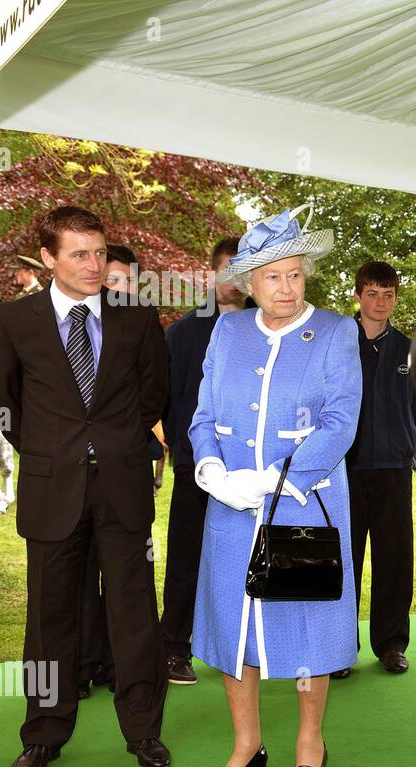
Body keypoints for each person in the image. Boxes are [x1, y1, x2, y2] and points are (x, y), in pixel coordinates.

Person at [0, 205, 171, 767]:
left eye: (99, 252)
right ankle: (43, 735)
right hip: (51, 489)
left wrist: (110, 444)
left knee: (134, 611)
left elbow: (153, 397)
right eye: (79, 254)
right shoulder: (14, 321)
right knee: (50, 617)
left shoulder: (137, 319)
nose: (95, 265)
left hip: (121, 485)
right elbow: (5, 403)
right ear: (48, 258)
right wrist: (52, 453)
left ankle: (143, 732)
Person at [189, 206, 360, 767]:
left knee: (304, 627)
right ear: (248, 282)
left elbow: (341, 423)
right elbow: (204, 415)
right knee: (237, 633)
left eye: (294, 274)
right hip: (231, 512)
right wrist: (211, 469)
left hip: (302, 507)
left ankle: (310, 744)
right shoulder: (228, 331)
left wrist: (272, 477)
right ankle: (246, 747)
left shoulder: (337, 332)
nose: (285, 288)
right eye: (272, 277)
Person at [160, 237, 246, 686]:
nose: (236, 278)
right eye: (228, 269)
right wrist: (186, 452)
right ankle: (174, 648)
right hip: (196, 469)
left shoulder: (267, 327)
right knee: (186, 559)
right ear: (211, 275)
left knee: (247, 560)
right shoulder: (185, 332)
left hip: (253, 473)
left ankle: (242, 649)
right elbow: (168, 400)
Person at [340, 261, 416, 678]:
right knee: (345, 558)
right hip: (346, 468)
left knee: (395, 558)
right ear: (358, 295)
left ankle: (392, 644)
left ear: (396, 298)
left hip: (394, 468)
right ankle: (339, 647)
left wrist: (414, 441)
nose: (380, 302)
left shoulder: (410, 350)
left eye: (388, 294)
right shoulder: (338, 344)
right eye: (372, 293)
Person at [76, 243, 144, 700]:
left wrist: (120, 445)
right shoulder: (38, 324)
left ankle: (129, 680)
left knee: (128, 591)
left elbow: (152, 395)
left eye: (124, 280)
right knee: (72, 587)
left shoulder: (141, 326)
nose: (113, 285)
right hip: (63, 480)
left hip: (123, 476)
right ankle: (80, 668)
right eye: (109, 278)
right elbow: (16, 406)